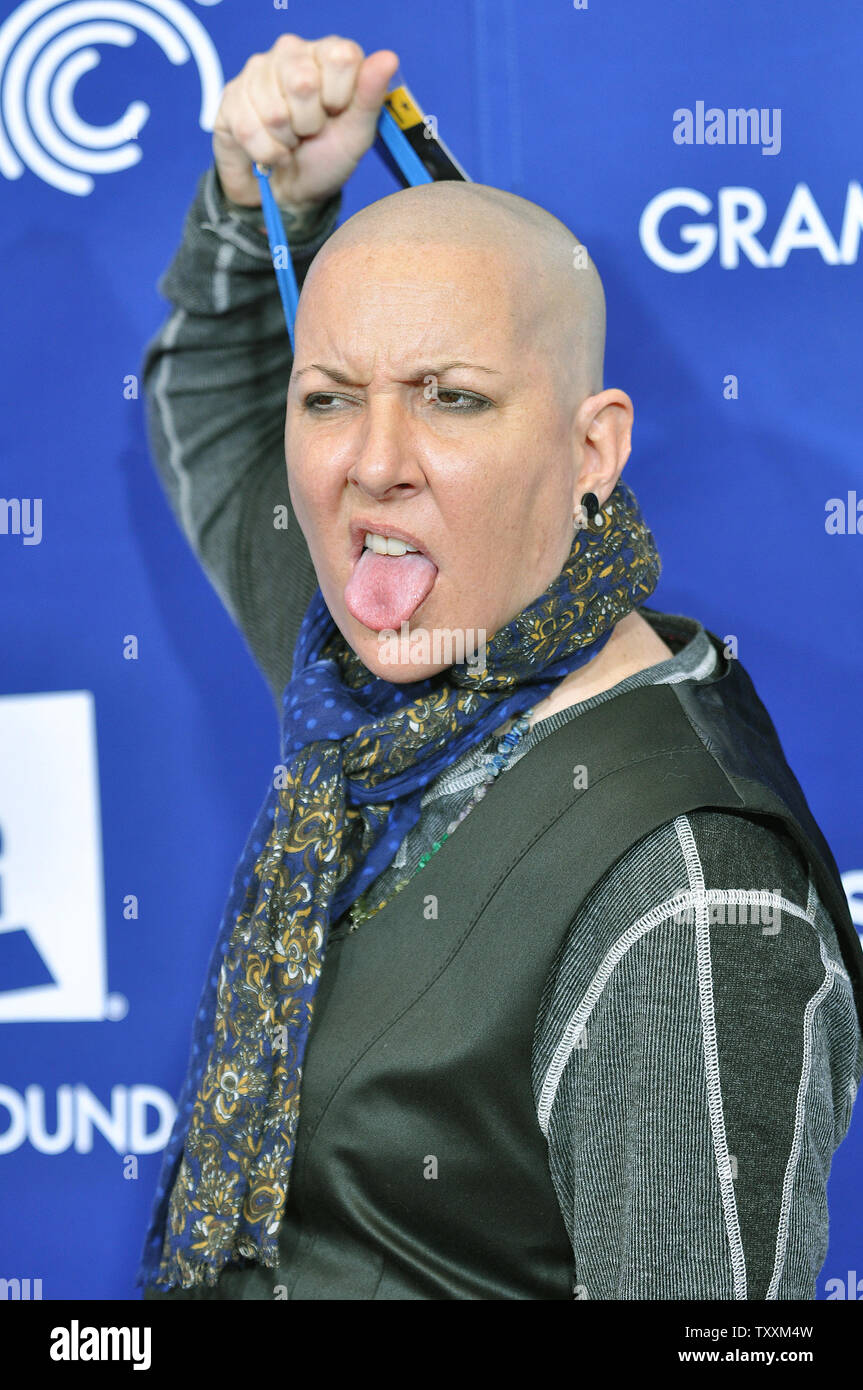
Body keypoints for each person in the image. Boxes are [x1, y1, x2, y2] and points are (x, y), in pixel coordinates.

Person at [137, 34, 863, 1301]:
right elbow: (210, 386)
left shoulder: (689, 896)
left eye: (451, 398)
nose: (373, 462)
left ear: (593, 449)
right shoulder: (367, 673)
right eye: (327, 398)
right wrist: (271, 196)